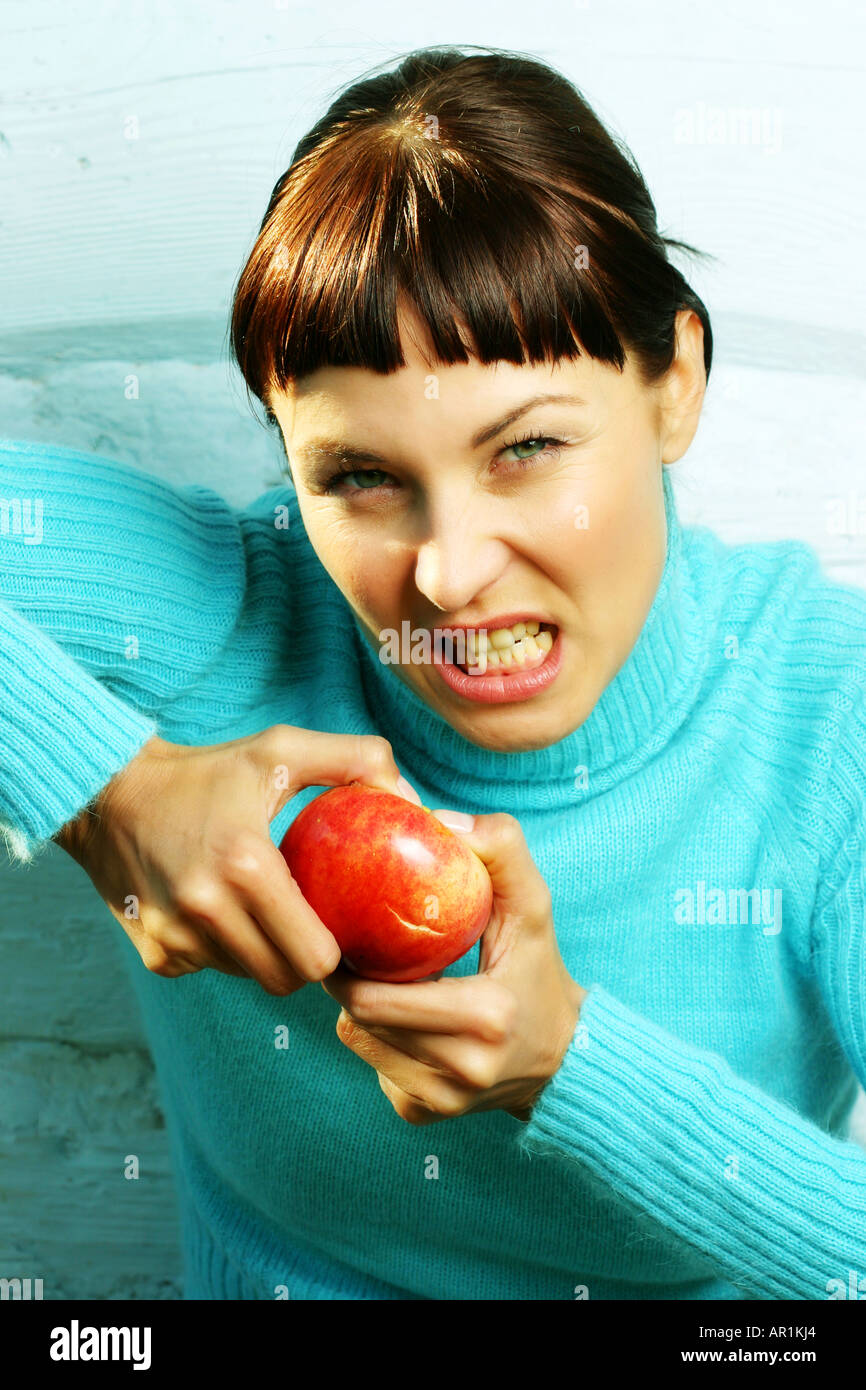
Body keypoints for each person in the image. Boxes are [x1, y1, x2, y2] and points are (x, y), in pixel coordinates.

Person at [2, 45, 866, 1301]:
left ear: (672, 384)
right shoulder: (228, 612)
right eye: (360, 477)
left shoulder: (825, 718)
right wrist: (103, 794)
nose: (451, 575)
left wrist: (568, 1066)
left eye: (525, 448)